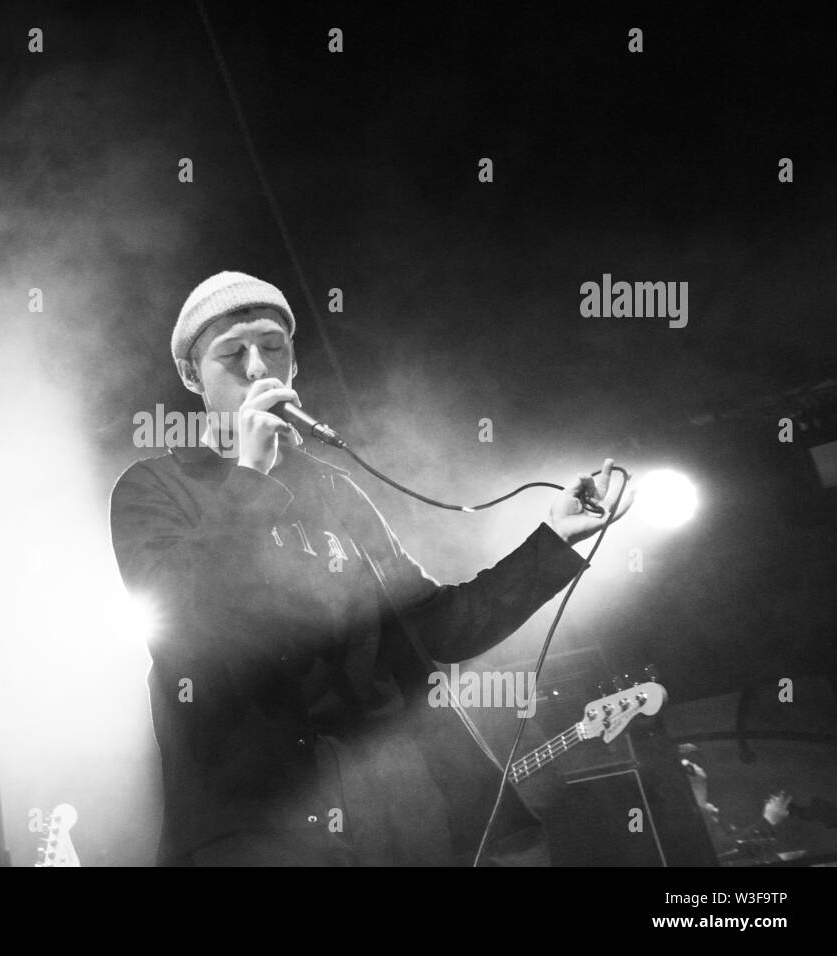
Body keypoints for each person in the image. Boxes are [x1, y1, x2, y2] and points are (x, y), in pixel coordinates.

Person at [109, 270, 634, 866]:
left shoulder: (334, 489)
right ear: (190, 375)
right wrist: (249, 476)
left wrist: (553, 543)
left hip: (393, 818)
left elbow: (440, 626)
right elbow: (186, 622)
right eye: (232, 354)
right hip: (255, 829)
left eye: (274, 348)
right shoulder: (154, 487)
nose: (259, 368)